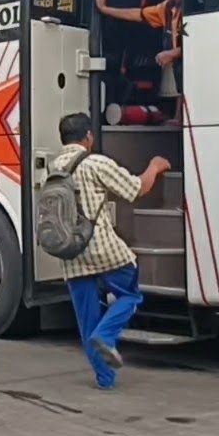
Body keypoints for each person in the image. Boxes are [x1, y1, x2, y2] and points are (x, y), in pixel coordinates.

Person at [52, 112, 171, 390]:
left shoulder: (54, 168)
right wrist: (154, 166)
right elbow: (137, 188)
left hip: (71, 252)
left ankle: (105, 378)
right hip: (103, 249)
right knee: (130, 295)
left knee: (87, 319)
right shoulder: (94, 163)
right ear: (89, 137)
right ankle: (106, 335)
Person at [95, 0, 186, 120]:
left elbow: (201, 44)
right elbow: (138, 14)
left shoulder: (194, 7)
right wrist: (105, 9)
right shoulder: (166, 8)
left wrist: (173, 53)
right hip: (180, 75)